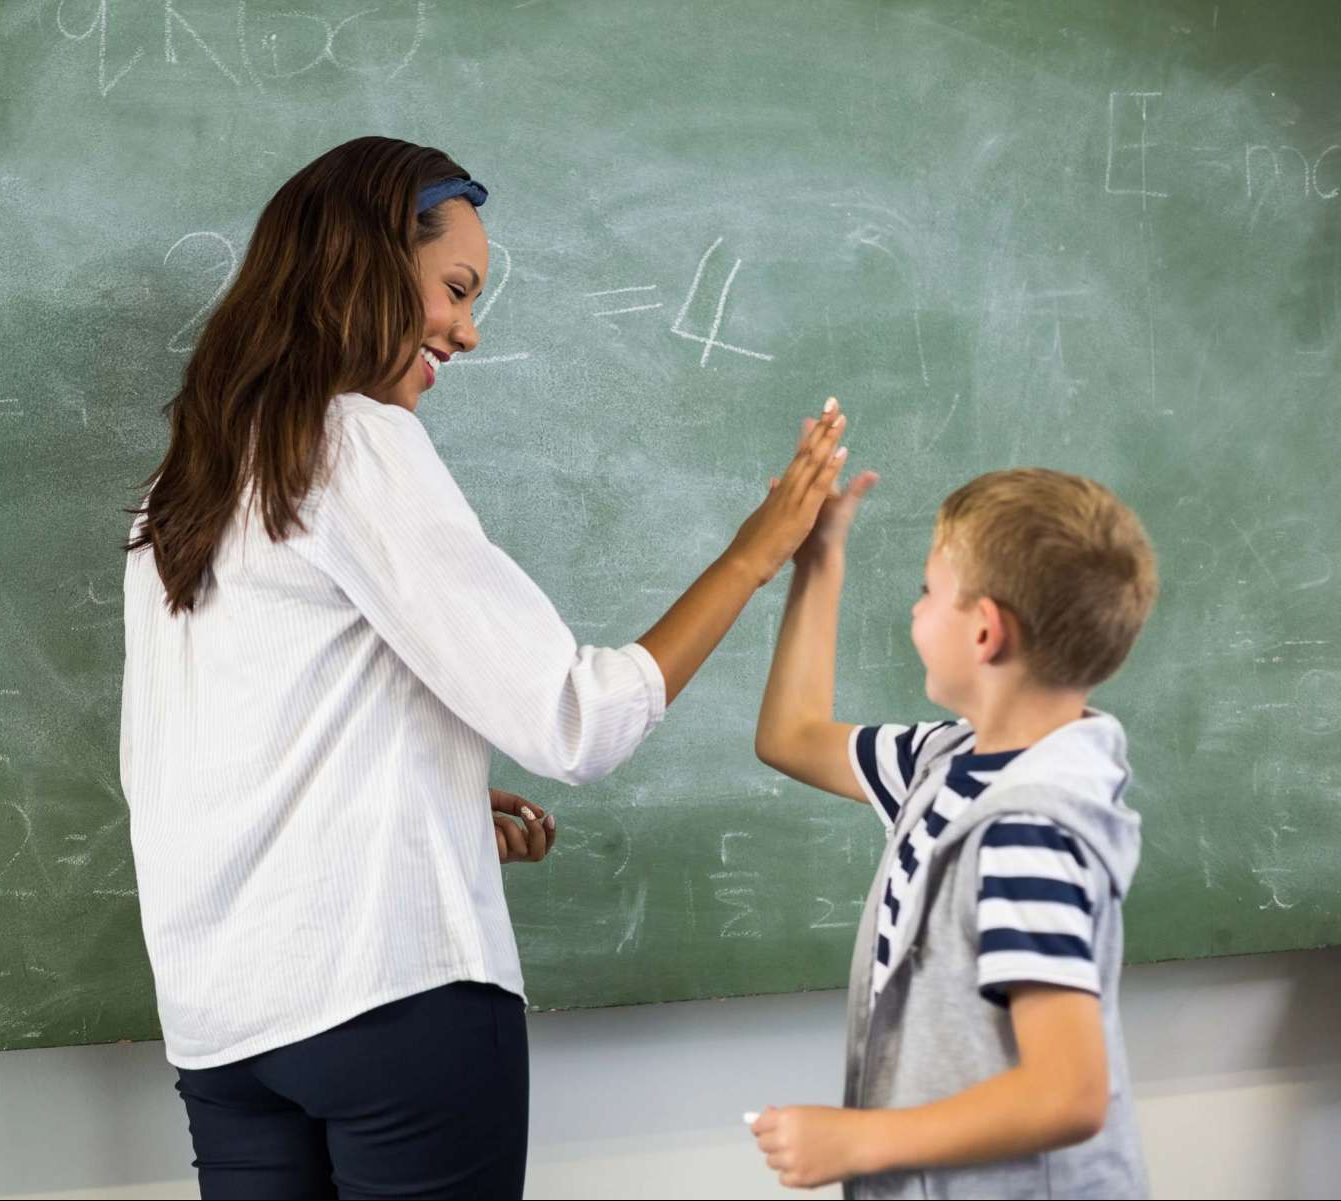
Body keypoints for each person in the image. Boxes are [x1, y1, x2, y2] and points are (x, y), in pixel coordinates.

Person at [120, 135, 849, 1200]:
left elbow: (198, 763)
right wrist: (757, 549)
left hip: (225, 1031)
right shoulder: (357, 442)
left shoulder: (177, 493)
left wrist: (430, 791)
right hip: (391, 1005)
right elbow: (578, 721)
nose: (468, 328)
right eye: (456, 288)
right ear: (365, 264)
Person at [750, 463, 1157, 1198]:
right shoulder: (943, 760)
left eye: (926, 592)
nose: (914, 609)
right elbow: (792, 733)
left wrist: (861, 1139)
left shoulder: (1027, 831)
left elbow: (1068, 1092)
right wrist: (820, 561)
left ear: (983, 629)